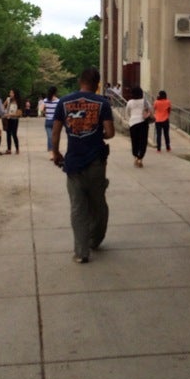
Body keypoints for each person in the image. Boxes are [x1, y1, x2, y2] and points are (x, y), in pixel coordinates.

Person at [51, 66, 115, 263]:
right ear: (97, 84)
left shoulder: (64, 102)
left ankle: (81, 253)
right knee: (98, 205)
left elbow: (55, 132)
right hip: (96, 162)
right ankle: (95, 239)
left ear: (80, 81)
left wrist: (55, 152)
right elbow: (110, 132)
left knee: (78, 209)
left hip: (73, 163)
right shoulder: (102, 103)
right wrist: (99, 134)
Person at [125, 85, 151, 168]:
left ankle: (136, 156)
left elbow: (127, 113)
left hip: (133, 123)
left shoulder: (130, 102)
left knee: (134, 141)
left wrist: (130, 119)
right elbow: (150, 109)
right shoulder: (145, 101)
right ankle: (140, 158)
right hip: (143, 122)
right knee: (143, 141)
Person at [2, 88, 23, 154]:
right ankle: (9, 149)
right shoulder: (8, 100)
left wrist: (10, 114)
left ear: (15, 94)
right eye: (10, 93)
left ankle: (17, 149)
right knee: (8, 134)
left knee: (14, 134)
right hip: (8, 119)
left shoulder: (18, 101)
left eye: (12, 93)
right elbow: (2, 106)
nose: (10, 94)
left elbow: (19, 113)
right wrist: (4, 112)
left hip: (14, 119)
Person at [43, 85, 59, 152]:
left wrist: (44, 111)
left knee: (51, 137)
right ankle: (51, 151)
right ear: (55, 92)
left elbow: (41, 109)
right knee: (51, 137)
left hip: (54, 121)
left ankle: (53, 151)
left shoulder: (58, 101)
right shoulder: (46, 100)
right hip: (49, 121)